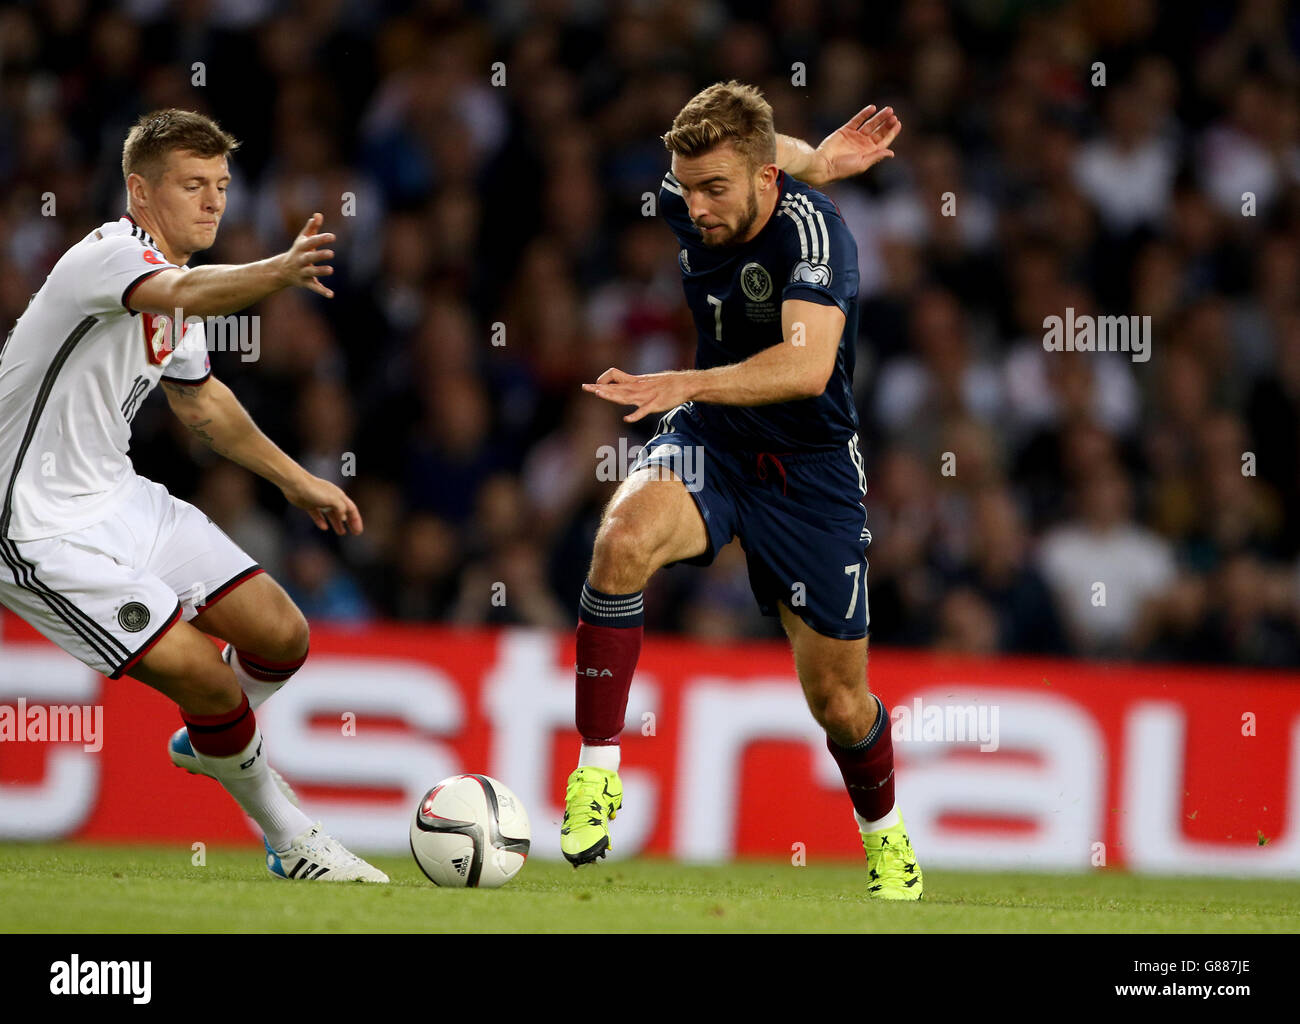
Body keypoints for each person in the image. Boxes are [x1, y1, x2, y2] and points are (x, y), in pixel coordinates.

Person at [0, 109, 386, 882]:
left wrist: (298, 479)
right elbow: (184, 289)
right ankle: (291, 838)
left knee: (282, 636)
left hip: (118, 496)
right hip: (38, 525)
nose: (213, 202)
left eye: (220, 186)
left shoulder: (176, 293)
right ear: (140, 192)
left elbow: (201, 405)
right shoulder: (109, 257)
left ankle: (214, 739)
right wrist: (275, 272)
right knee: (207, 679)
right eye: (192, 185)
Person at [568, 82, 922, 898]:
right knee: (620, 541)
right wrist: (821, 156)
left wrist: (681, 380)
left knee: (839, 701)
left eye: (714, 189)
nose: (693, 207)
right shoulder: (699, 189)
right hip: (715, 441)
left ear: (764, 182)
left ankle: (887, 836)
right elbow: (780, 154)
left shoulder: (817, 233)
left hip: (811, 475)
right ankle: (596, 772)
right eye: (685, 187)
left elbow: (805, 369)